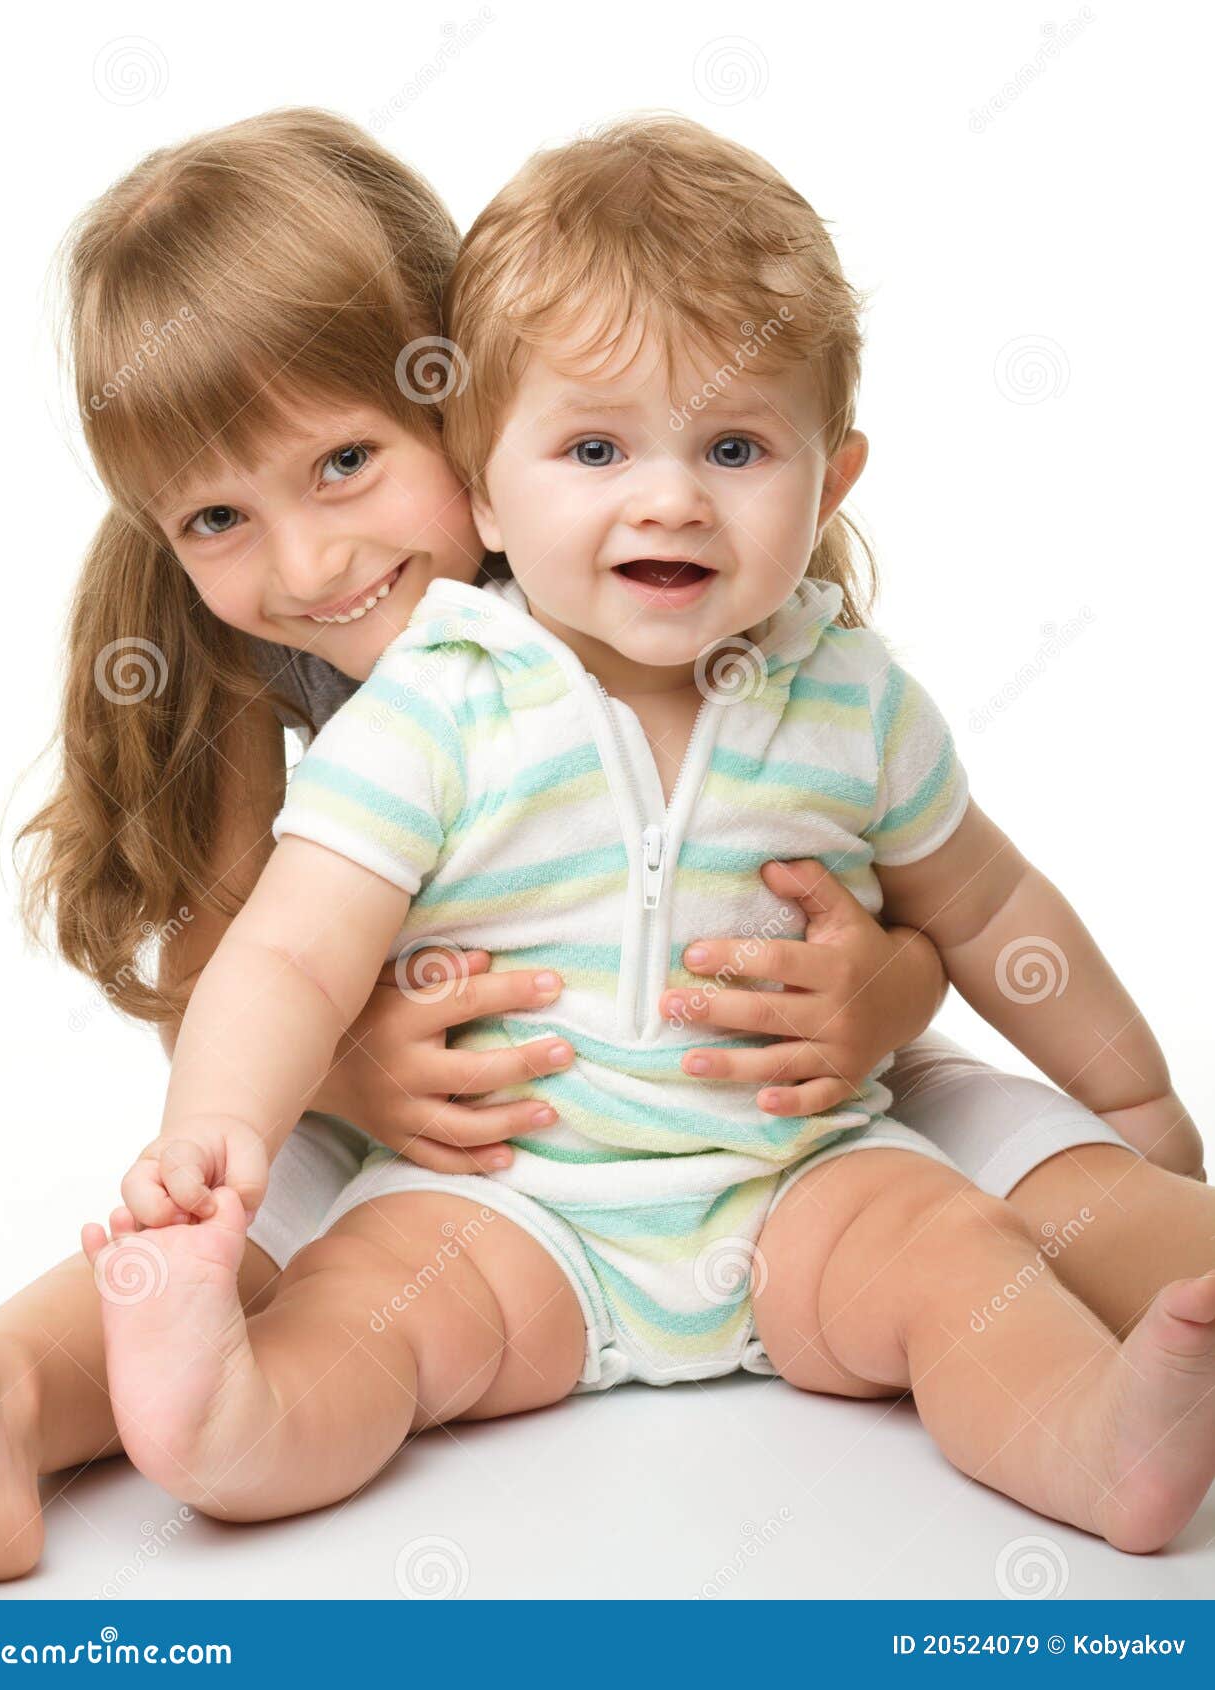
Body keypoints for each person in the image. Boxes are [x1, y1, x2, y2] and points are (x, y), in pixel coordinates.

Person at [81, 114, 1214, 1553]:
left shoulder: (850, 700)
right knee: (370, 1313)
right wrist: (213, 1148)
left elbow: (995, 911)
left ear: (833, 479)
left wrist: (1137, 1105)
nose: (668, 494)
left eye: (735, 446)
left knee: (959, 1263)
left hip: (804, 1182)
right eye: (599, 447)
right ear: (488, 483)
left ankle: (1101, 1439)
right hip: (508, 1206)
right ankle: (222, 1422)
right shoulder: (443, 698)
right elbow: (291, 954)